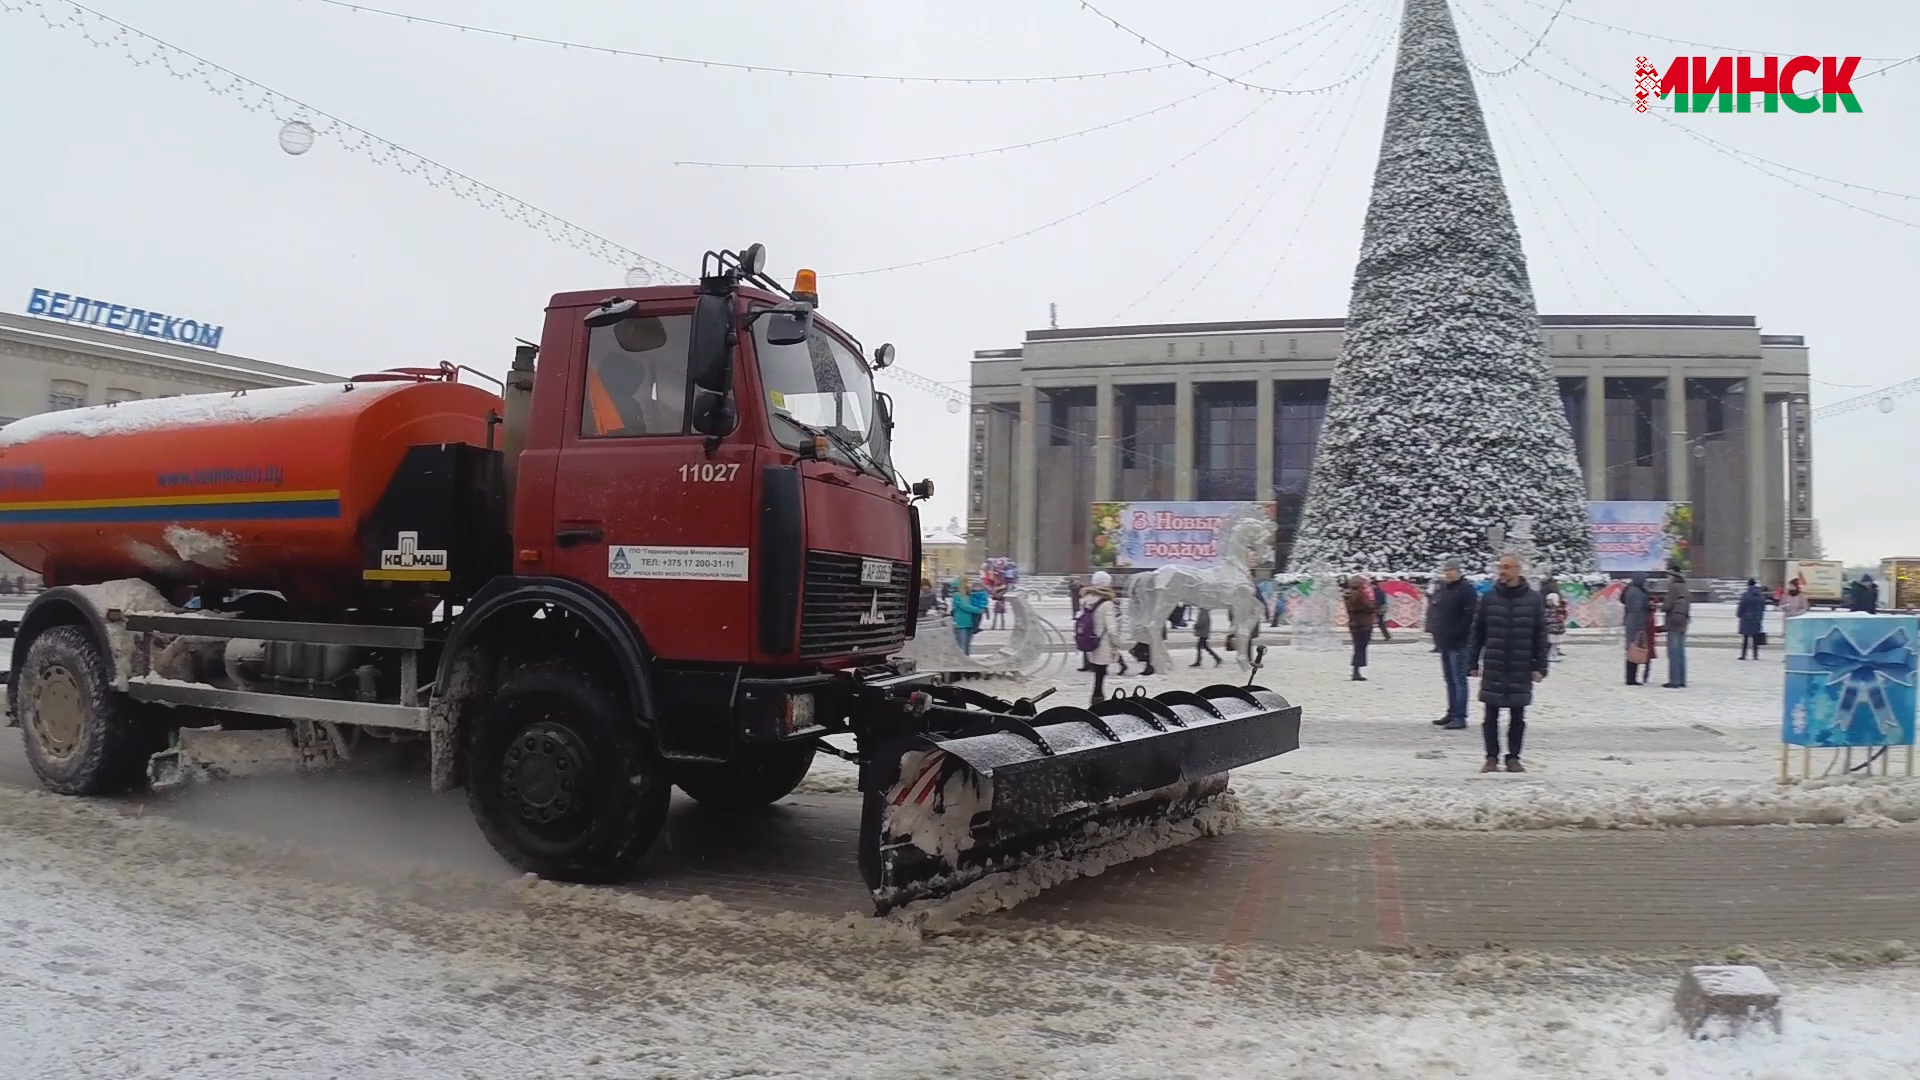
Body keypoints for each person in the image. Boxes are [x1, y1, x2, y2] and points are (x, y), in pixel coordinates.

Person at [1469, 553, 1549, 773]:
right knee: (1490, 715)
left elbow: (1541, 635)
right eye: (1500, 567)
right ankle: (1491, 757)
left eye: (1507, 567)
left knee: (1517, 716)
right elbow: (1477, 632)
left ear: (1518, 569)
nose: (1502, 571)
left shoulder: (1533, 599)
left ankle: (1513, 757)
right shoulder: (1489, 598)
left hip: (1520, 665)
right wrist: (1472, 661)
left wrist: (1540, 666)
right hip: (1494, 664)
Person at [1428, 557, 1479, 730]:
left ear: (1458, 571)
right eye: (1446, 570)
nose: (1447, 573)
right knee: (1449, 679)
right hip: (1445, 641)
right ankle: (1451, 712)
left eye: (1450, 570)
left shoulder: (1466, 590)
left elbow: (1469, 616)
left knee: (1459, 680)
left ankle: (1460, 716)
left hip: (1459, 642)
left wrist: (1458, 632)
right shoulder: (1444, 589)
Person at [1077, 571, 1122, 704]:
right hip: (1103, 641)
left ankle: (1096, 695)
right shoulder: (1107, 603)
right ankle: (1097, 697)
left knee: (1097, 670)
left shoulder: (1085, 600)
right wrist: (1116, 644)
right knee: (1101, 672)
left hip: (1089, 639)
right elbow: (1111, 627)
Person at [1662, 567, 1692, 688]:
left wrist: (1662, 605)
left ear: (1673, 577)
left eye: (1668, 576)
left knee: (1673, 652)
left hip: (1673, 622)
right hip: (1683, 621)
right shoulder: (1685, 588)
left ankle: (1674, 680)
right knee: (1680, 652)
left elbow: (1667, 605)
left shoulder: (1673, 588)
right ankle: (1682, 679)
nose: (1667, 579)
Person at [1344, 573, 1377, 682]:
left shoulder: (1348, 594)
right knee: (1360, 648)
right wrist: (1373, 605)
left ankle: (1356, 670)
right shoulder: (1358, 595)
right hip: (1362, 623)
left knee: (1358, 647)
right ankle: (1356, 672)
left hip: (1355, 623)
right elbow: (1368, 607)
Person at [1621, 572, 1652, 686]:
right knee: (1634, 649)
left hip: (1630, 621)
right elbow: (1637, 610)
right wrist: (1642, 624)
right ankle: (1631, 678)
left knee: (1632, 649)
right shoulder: (1637, 593)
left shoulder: (1631, 590)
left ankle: (1631, 676)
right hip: (1636, 623)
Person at [950, 575, 987, 654]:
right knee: (961, 645)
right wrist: (978, 610)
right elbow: (964, 606)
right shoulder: (957, 595)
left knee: (967, 645)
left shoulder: (968, 594)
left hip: (970, 623)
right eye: (966, 582)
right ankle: (962, 662)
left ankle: (967, 661)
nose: (968, 584)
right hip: (961, 623)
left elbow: (979, 597)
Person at [1736, 577, 1769, 660]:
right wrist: (1760, 616)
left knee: (1745, 638)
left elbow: (1742, 606)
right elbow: (1763, 607)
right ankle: (1755, 655)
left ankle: (1743, 655)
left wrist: (1739, 614)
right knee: (1755, 638)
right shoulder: (1760, 595)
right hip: (1756, 618)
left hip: (1746, 618)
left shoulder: (1746, 595)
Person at [1541, 577, 1569, 661]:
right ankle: (1552, 653)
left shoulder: (1542, 594)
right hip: (1554, 621)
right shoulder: (1554, 595)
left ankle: (1552, 653)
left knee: (1550, 638)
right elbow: (1559, 607)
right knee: (1552, 638)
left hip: (1549, 621)